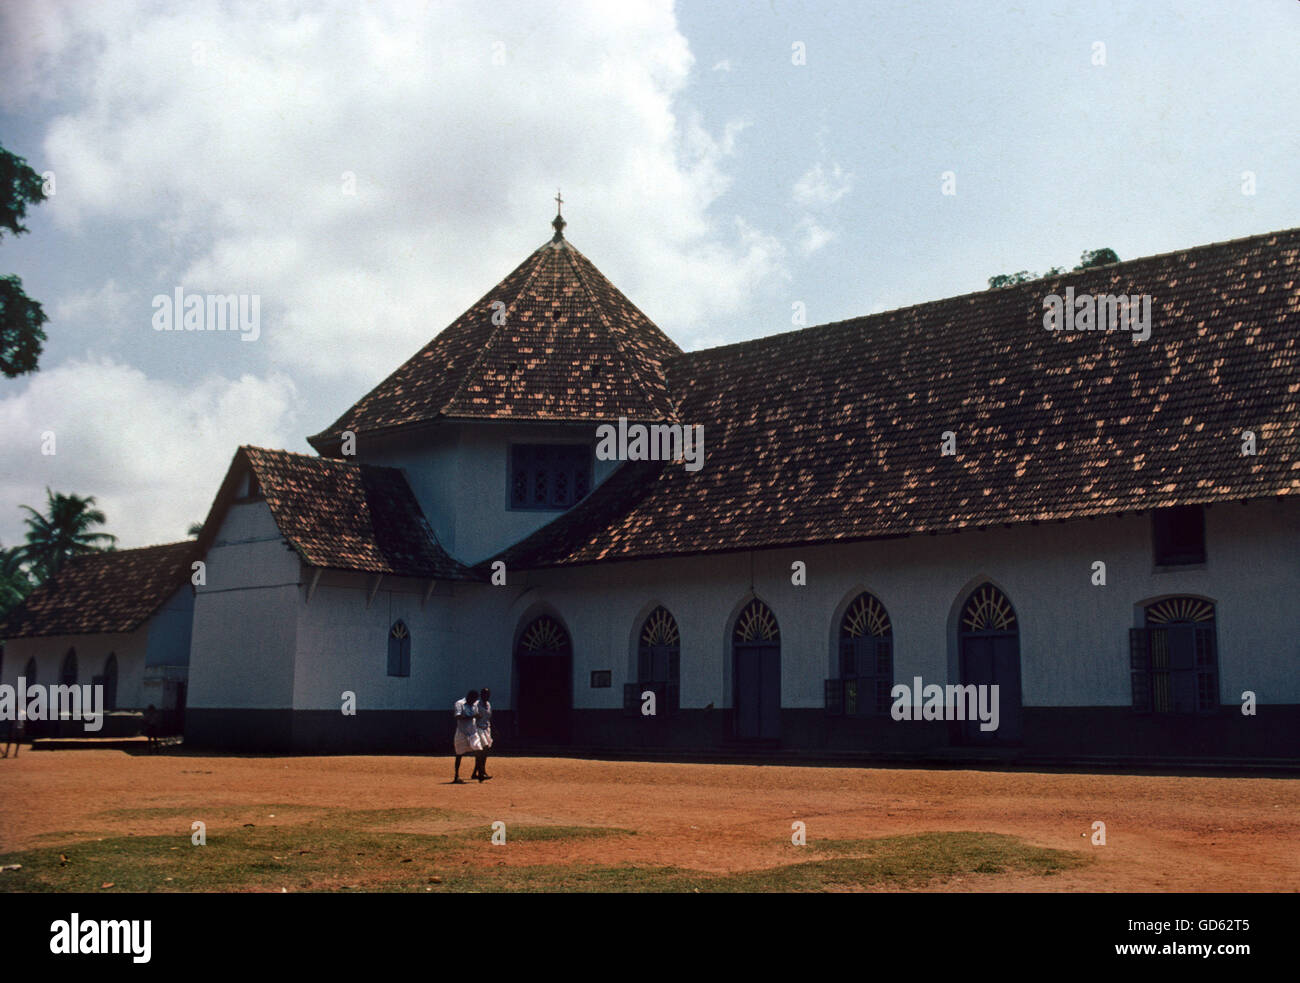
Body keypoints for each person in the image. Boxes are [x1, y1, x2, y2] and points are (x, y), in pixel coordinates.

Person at [452, 689, 483, 784]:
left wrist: (478, 717)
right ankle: (456, 776)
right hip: (462, 732)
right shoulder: (459, 703)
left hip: (473, 732)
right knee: (459, 754)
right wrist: (472, 716)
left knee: (479, 750)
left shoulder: (474, 705)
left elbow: (476, 715)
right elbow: (457, 716)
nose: (474, 702)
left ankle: (479, 773)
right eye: (473, 699)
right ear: (469, 697)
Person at [472, 687, 493, 781]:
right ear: (481, 695)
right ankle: (482, 771)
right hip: (478, 728)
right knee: (483, 749)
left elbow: (489, 717)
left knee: (485, 750)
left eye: (488, 694)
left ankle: (475, 772)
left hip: (486, 728)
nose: (486, 696)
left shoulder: (488, 705)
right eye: (484, 694)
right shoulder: (476, 704)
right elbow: (471, 715)